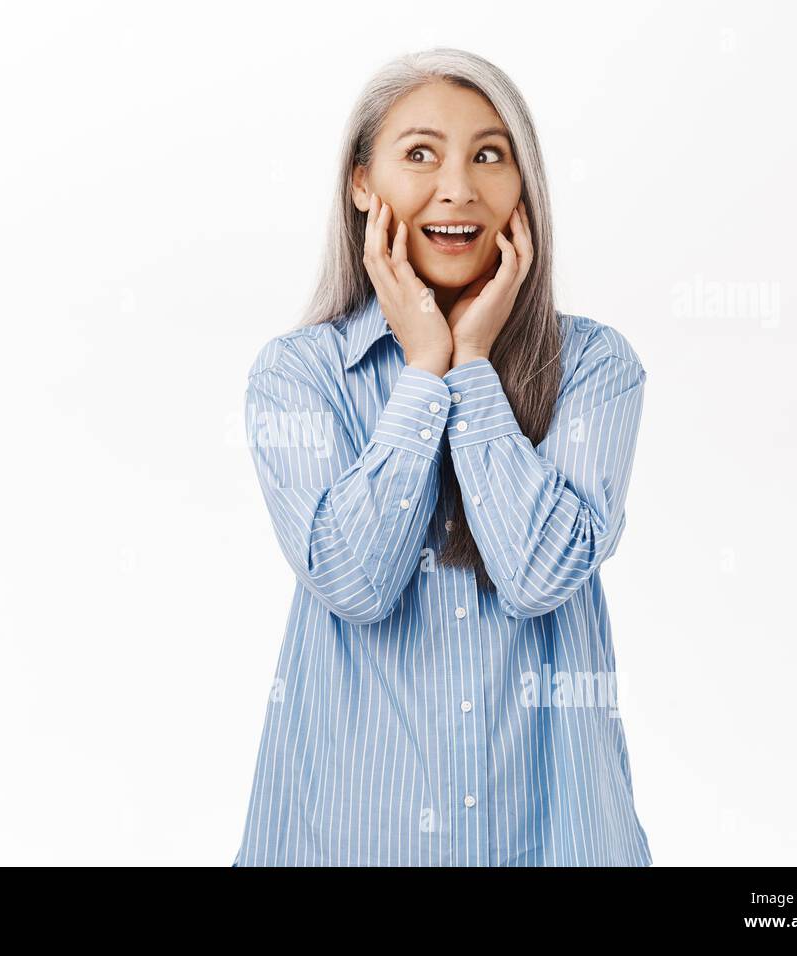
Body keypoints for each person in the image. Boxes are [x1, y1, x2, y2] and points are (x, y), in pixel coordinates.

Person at [233, 48, 652, 866]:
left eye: (488, 155)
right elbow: (353, 582)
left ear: (522, 187)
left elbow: (537, 576)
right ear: (362, 183)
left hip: (556, 841)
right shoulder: (299, 377)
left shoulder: (596, 369)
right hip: (347, 840)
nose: (457, 187)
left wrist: (473, 371)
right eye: (420, 153)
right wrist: (424, 374)